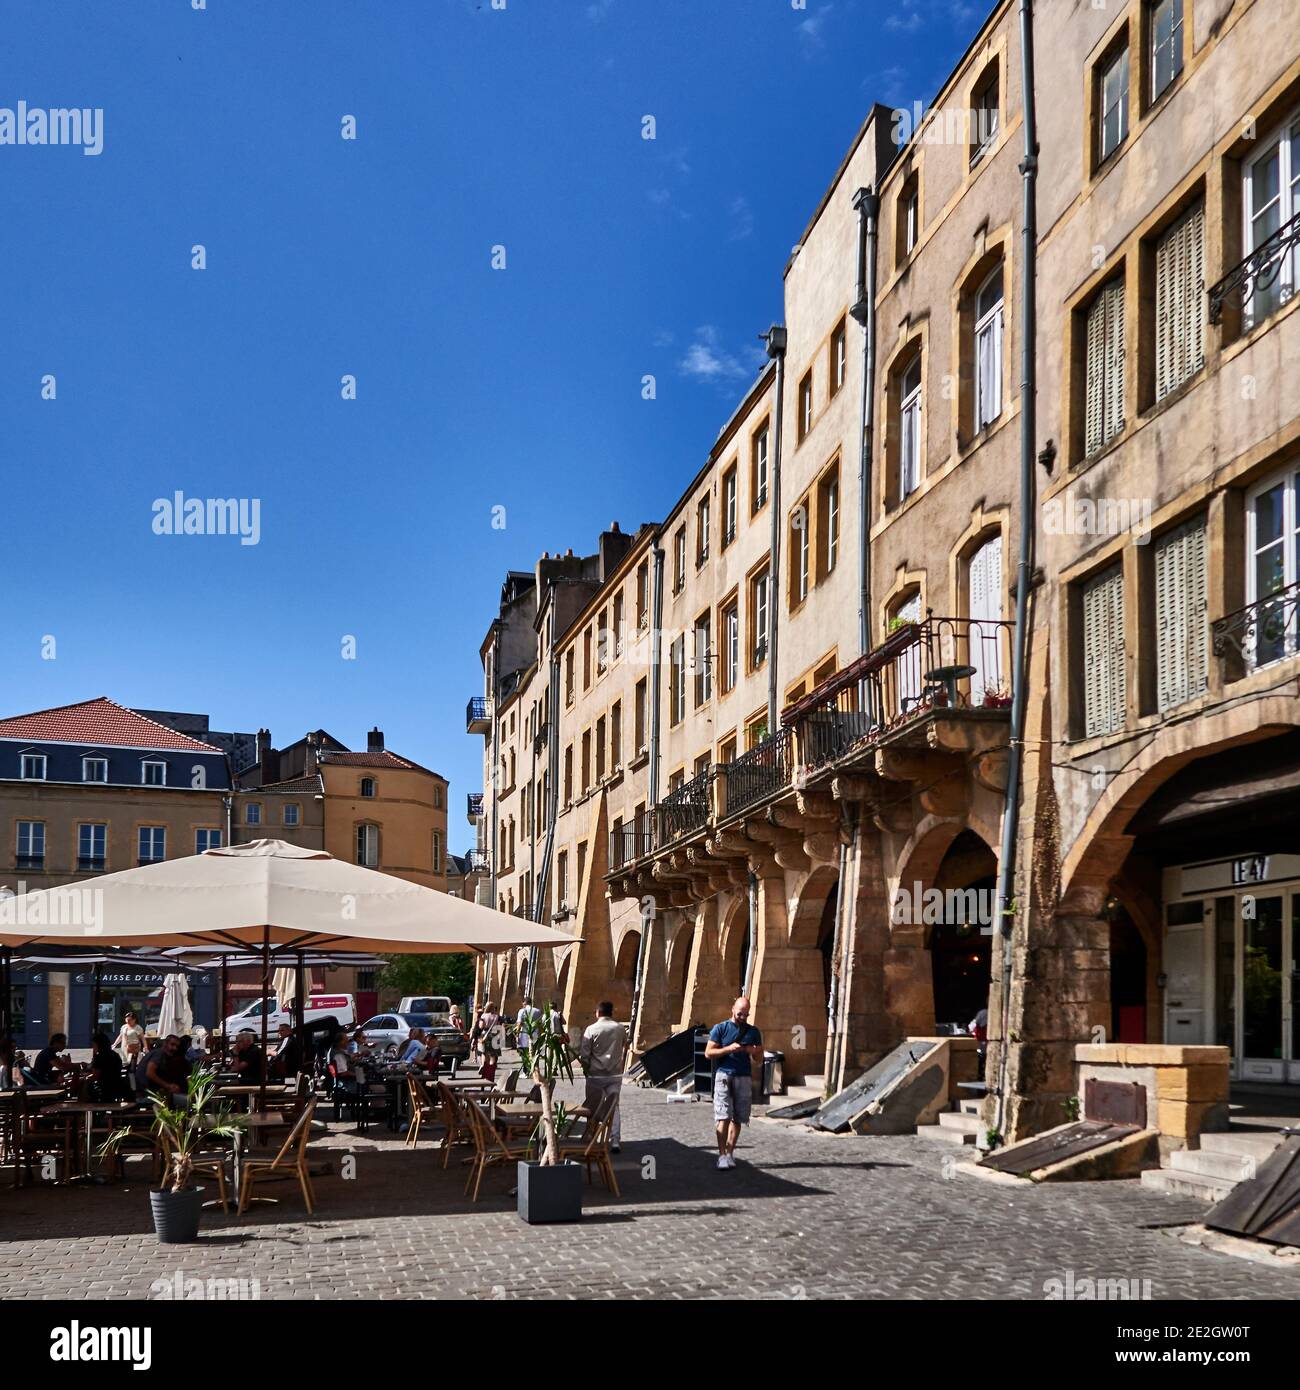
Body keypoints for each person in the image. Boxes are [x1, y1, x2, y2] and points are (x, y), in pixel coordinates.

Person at [705, 996, 764, 1169]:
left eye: (746, 1015)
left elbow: (759, 1059)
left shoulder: (753, 1032)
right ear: (732, 1009)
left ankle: (730, 1152)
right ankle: (721, 1155)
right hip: (724, 1075)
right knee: (723, 1115)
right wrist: (728, 1049)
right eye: (740, 1014)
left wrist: (755, 1050)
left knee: (739, 1117)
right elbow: (708, 1053)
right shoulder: (720, 1028)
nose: (743, 1018)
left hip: (743, 1076)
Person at [576, 1001, 628, 1153]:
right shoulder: (620, 1028)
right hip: (615, 1073)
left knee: (592, 1105)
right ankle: (615, 1139)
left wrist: (586, 1069)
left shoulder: (591, 1029)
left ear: (598, 1013)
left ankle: (591, 1134)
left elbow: (585, 1055)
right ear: (612, 1012)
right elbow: (624, 1046)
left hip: (596, 1075)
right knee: (614, 1106)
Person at [143, 1034, 190, 1100]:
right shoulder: (159, 1054)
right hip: (146, 1094)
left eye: (177, 1046)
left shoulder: (160, 1054)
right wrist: (167, 1086)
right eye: (172, 1044)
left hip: (150, 1091)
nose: (175, 1048)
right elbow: (149, 1073)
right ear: (165, 1043)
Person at [88, 1032, 127, 1102]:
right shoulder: (115, 1055)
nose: (93, 1047)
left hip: (104, 1088)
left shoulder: (99, 1057)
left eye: (94, 1045)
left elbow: (95, 1076)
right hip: (117, 1087)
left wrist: (85, 1079)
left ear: (98, 1045)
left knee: (86, 1090)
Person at [472, 1001, 504, 1082]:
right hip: (495, 1036)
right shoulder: (497, 1016)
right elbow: (501, 1026)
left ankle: (485, 1072)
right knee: (493, 1057)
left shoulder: (483, 1016)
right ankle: (491, 1073)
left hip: (485, 1036)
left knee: (485, 1054)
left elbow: (481, 1026)